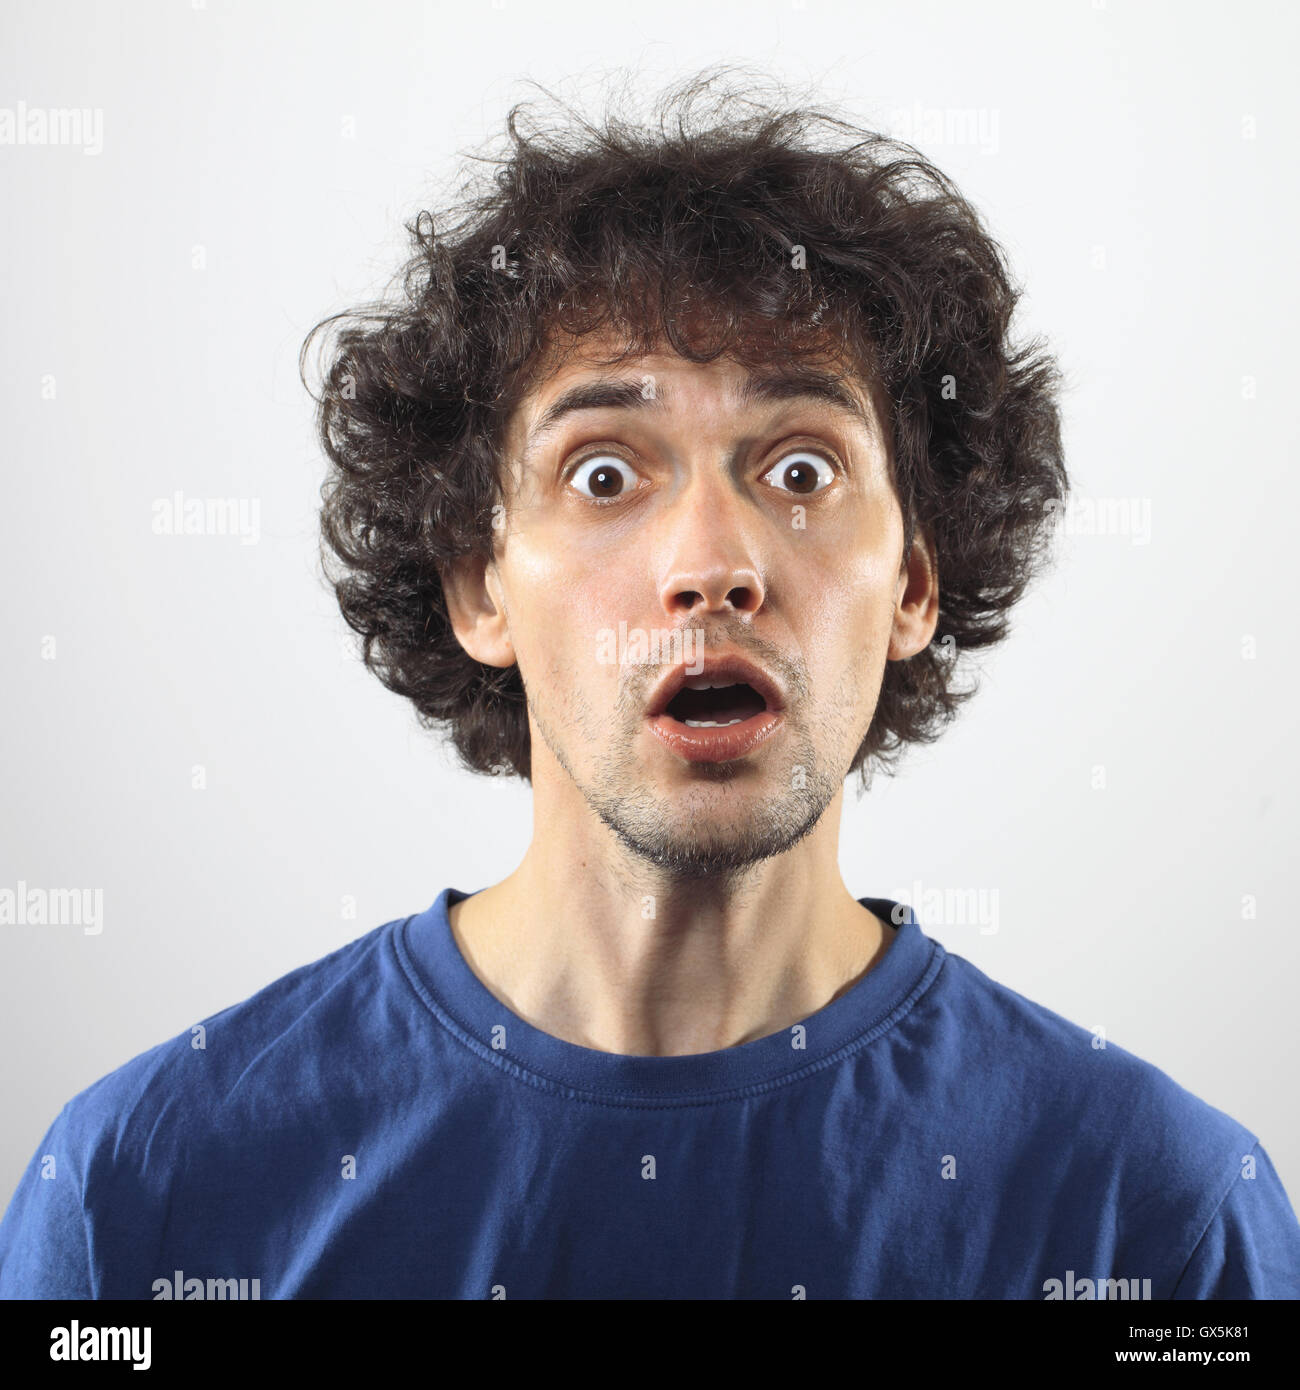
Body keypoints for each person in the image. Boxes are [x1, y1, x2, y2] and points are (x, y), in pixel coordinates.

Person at [3, 71, 1298, 1300]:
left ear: (915, 580)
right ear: (478, 585)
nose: (713, 564)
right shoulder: (145, 1189)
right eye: (606, 473)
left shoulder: (1160, 1217)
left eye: (800, 470)